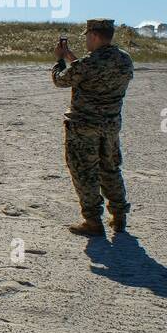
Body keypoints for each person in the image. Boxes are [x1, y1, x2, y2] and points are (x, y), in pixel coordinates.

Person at [52, 19, 134, 236]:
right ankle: (119, 216)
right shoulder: (124, 59)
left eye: (87, 36)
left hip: (83, 127)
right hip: (110, 126)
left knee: (84, 172)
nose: (86, 40)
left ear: (95, 36)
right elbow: (91, 71)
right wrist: (71, 57)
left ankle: (92, 220)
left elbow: (61, 80)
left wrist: (60, 60)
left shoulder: (88, 63)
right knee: (110, 169)